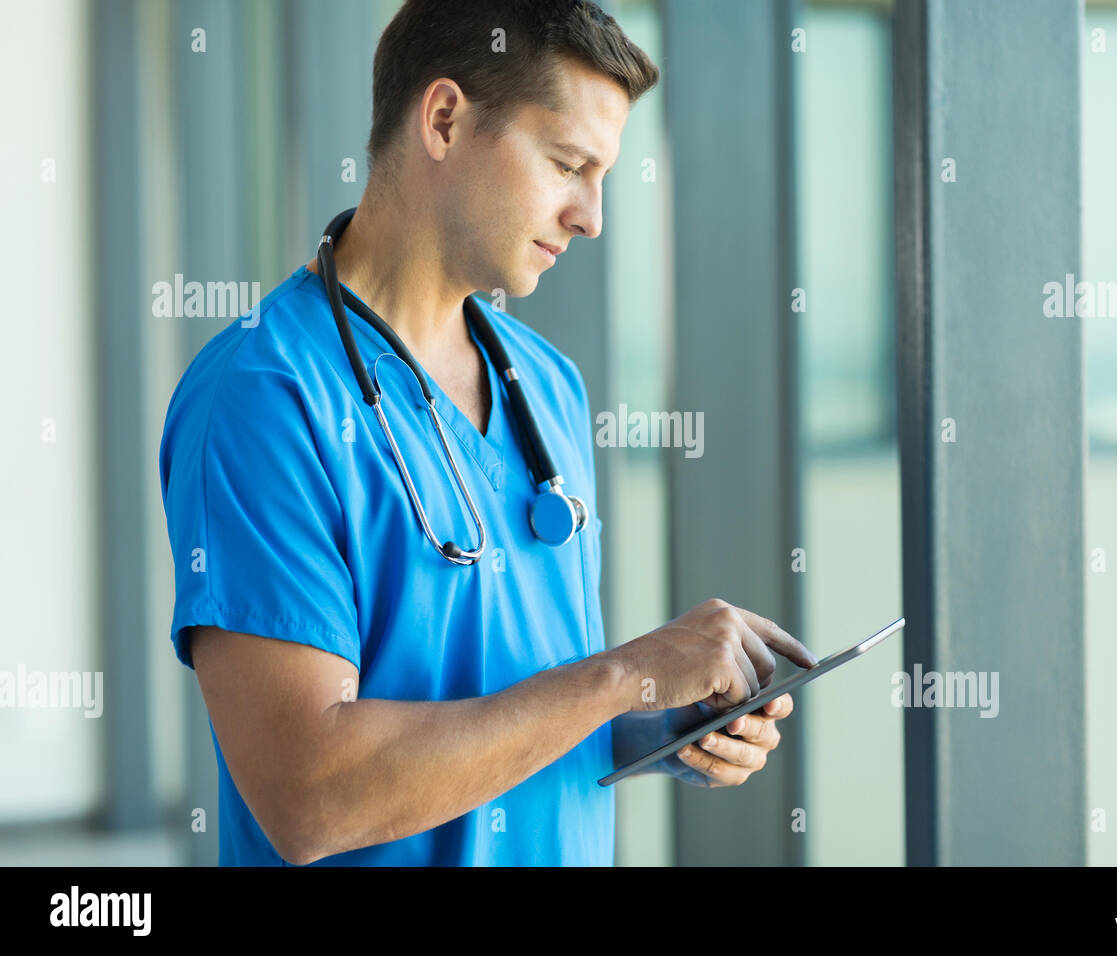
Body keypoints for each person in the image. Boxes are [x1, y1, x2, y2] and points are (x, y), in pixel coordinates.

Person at [158, 0, 816, 867]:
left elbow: (519, 696)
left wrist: (659, 713)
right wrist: (618, 675)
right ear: (443, 120)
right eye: (568, 165)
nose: (592, 216)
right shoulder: (262, 397)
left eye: (604, 176)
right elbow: (308, 796)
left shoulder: (547, 386)